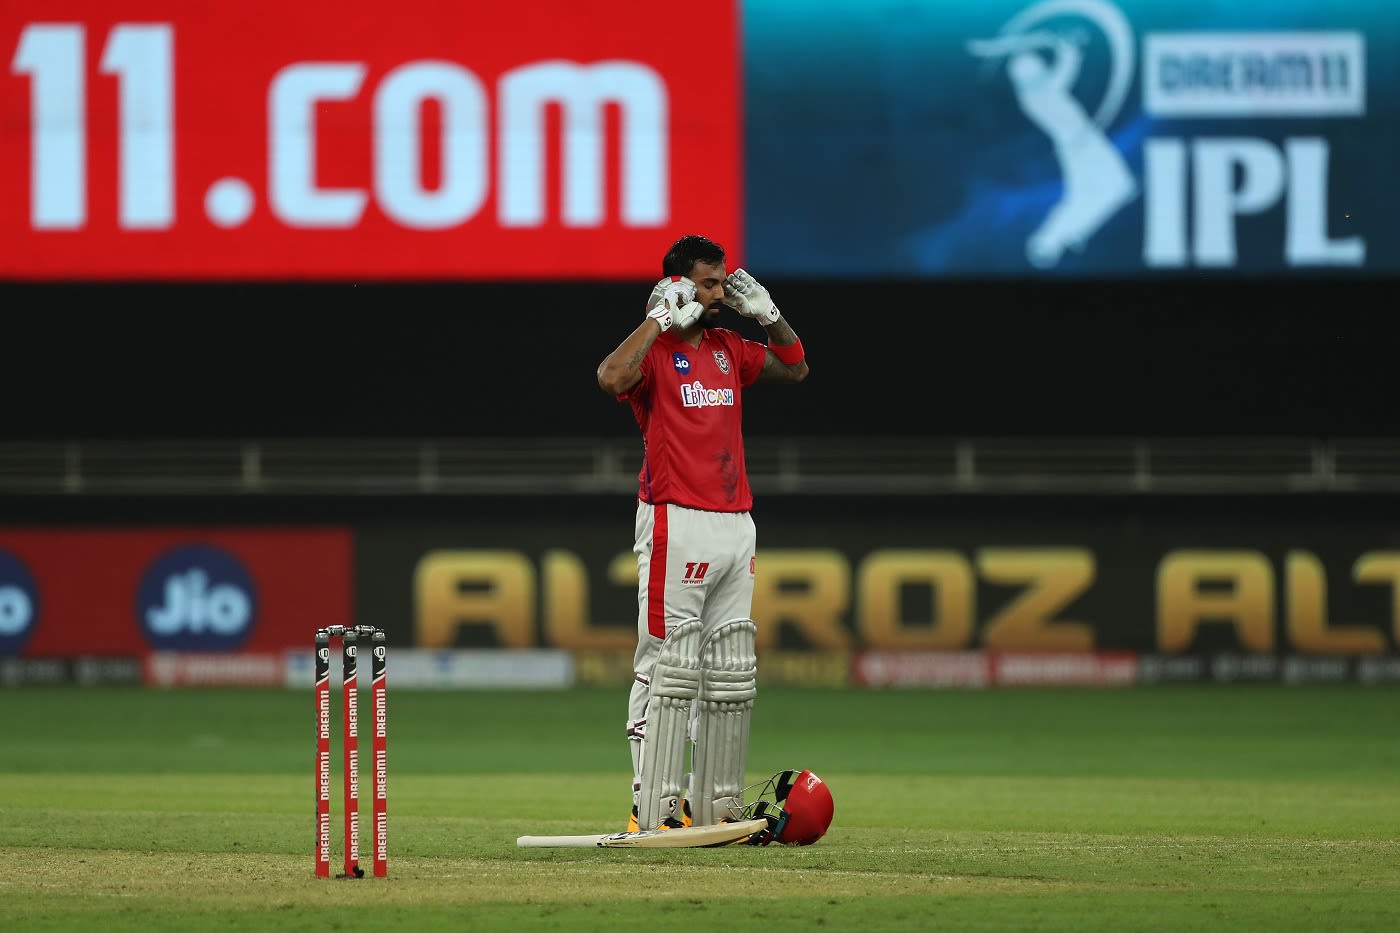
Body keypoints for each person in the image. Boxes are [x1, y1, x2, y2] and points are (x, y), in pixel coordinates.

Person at [595, 233, 809, 832]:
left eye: (722, 282)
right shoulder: (655, 353)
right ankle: (649, 805)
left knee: (724, 672)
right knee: (665, 665)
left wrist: (771, 317)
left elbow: (796, 369)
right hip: (675, 519)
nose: (719, 294)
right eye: (707, 284)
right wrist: (658, 320)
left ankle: (709, 803)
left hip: (736, 524)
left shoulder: (728, 348)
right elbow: (611, 377)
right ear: (680, 284)